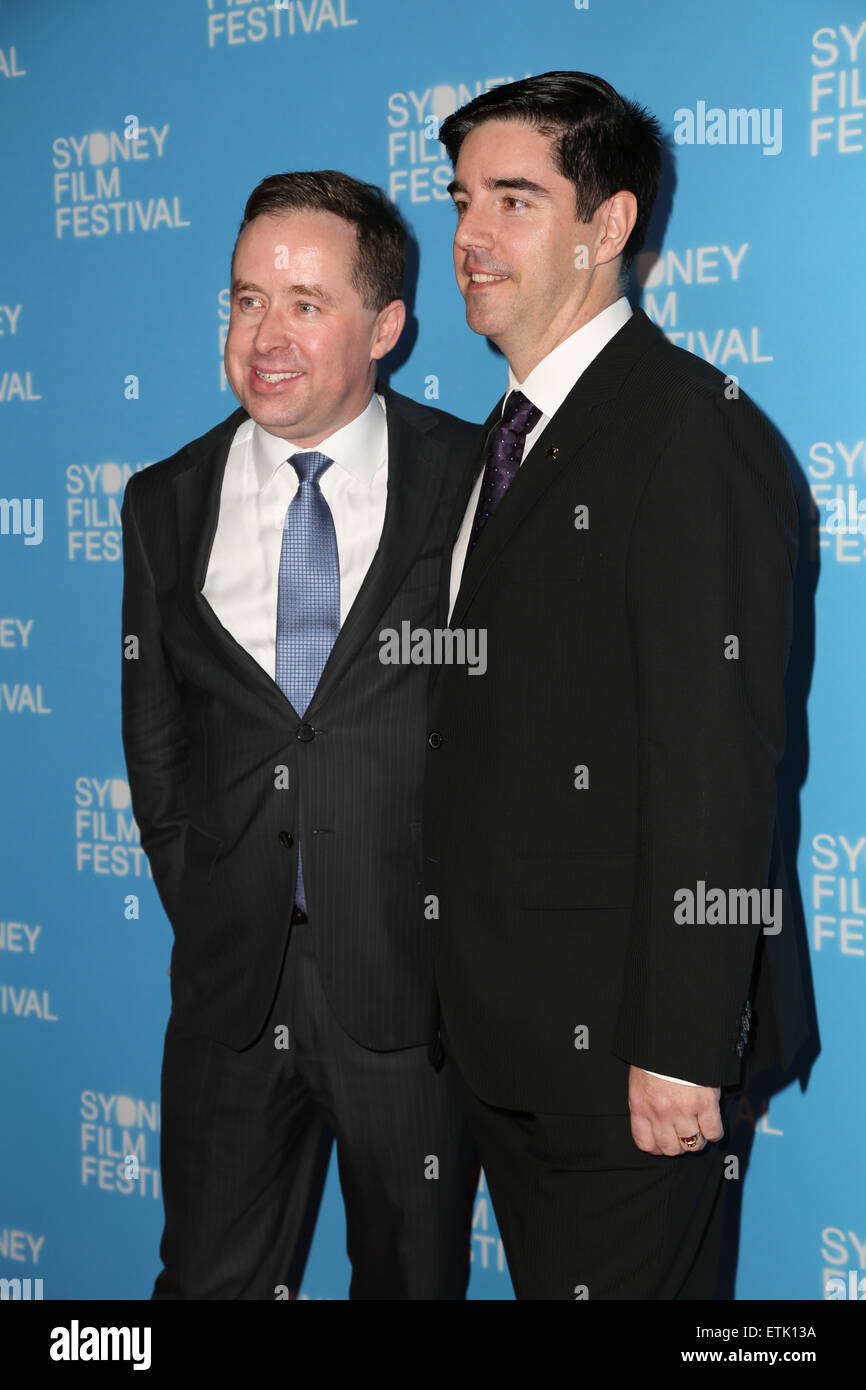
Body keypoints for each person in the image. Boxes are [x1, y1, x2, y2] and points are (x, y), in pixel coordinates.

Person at [424, 71, 809, 1299]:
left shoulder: (688, 430)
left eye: (514, 200)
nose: (470, 235)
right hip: (506, 1037)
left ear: (608, 225)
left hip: (631, 1060)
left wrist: (681, 1046)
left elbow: (715, 760)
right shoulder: (502, 439)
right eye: (460, 199)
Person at [121, 170, 479, 1300]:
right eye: (246, 301)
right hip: (228, 997)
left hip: (412, 999)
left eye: (306, 304)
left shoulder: (474, 480)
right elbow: (158, 747)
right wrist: (213, 904)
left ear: (384, 326)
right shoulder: (164, 498)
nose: (264, 338)